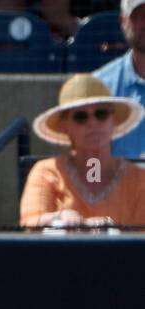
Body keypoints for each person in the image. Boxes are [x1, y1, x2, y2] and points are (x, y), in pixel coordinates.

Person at [20, 73, 145, 227]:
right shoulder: (46, 172)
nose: (92, 123)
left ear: (114, 121)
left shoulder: (140, 180)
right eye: (80, 117)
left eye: (101, 114)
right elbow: (29, 225)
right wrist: (59, 218)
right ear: (64, 127)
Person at [95, 0, 145, 157]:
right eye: (138, 16)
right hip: (117, 181)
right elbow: (90, 158)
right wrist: (94, 180)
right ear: (123, 22)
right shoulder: (99, 87)